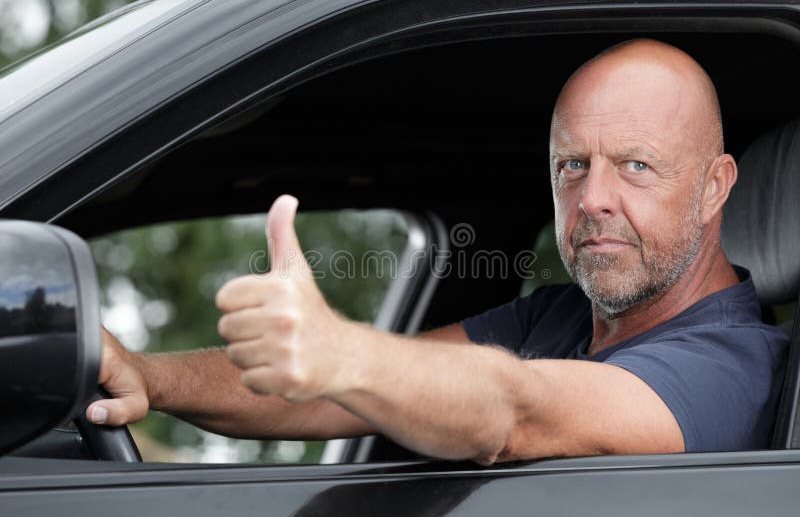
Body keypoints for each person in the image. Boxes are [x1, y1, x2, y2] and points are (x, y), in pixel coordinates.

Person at [87, 39, 788, 463]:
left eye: (636, 166)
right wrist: (147, 376)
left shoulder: (734, 367)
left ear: (712, 189)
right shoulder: (560, 318)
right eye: (572, 165)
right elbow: (337, 395)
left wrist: (343, 354)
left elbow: (515, 411)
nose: (593, 198)